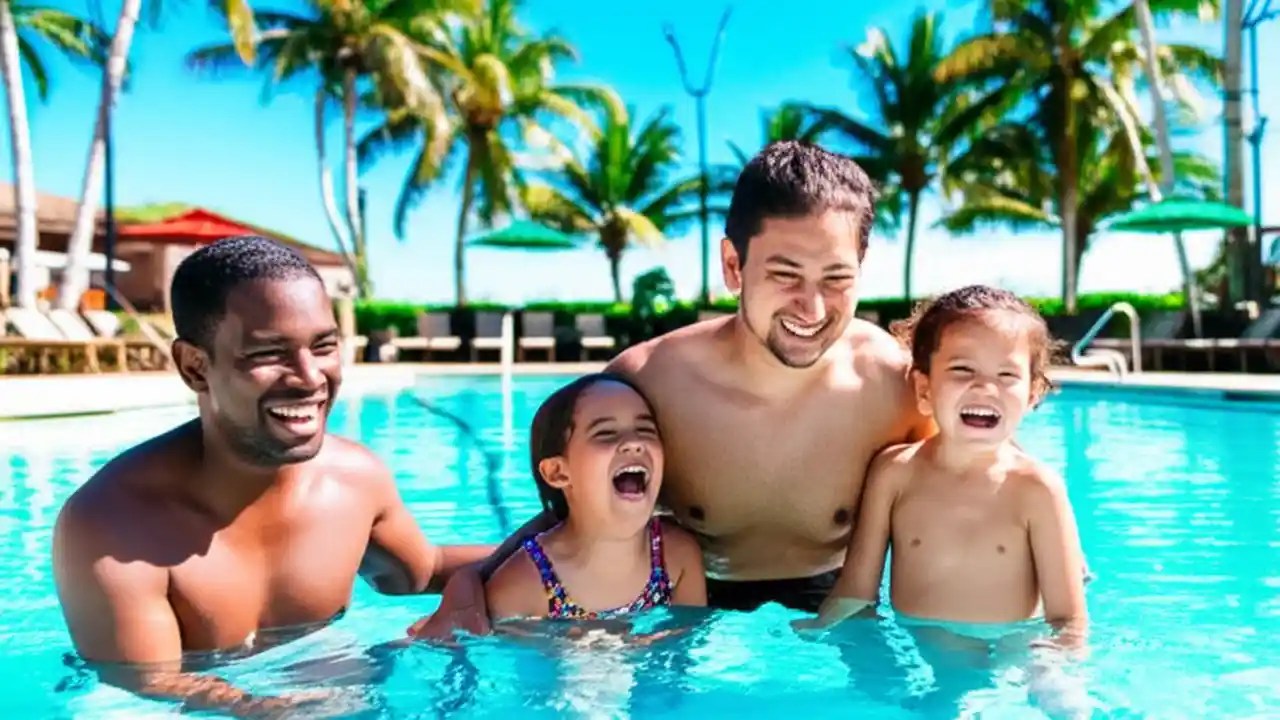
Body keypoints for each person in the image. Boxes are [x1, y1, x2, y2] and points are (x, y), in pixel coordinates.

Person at [410, 140, 935, 638]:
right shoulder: (649, 380)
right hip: (686, 604)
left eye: (837, 279)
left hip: (834, 606)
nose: (813, 308)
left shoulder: (896, 386)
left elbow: (969, 500)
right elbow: (571, 514)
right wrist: (470, 583)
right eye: (786, 275)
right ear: (734, 266)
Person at [51, 236, 492, 716]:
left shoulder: (353, 481)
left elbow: (421, 572)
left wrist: (559, 543)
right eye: (268, 353)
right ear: (195, 367)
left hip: (327, 689)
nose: (309, 377)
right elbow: (144, 682)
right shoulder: (114, 525)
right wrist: (263, 708)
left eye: (323, 347)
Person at [794, 285, 1088, 645]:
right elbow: (857, 591)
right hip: (917, 650)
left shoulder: (1037, 489)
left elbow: (1068, 621)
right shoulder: (895, 473)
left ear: (1032, 395)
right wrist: (823, 631)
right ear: (924, 390)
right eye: (962, 370)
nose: (985, 388)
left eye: (1006, 376)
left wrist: (1050, 670)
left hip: (1009, 655)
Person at [485, 372, 706, 624]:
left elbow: (683, 656)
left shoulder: (677, 558)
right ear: (558, 473)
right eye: (606, 434)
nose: (634, 443)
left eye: (645, 430)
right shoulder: (521, 589)